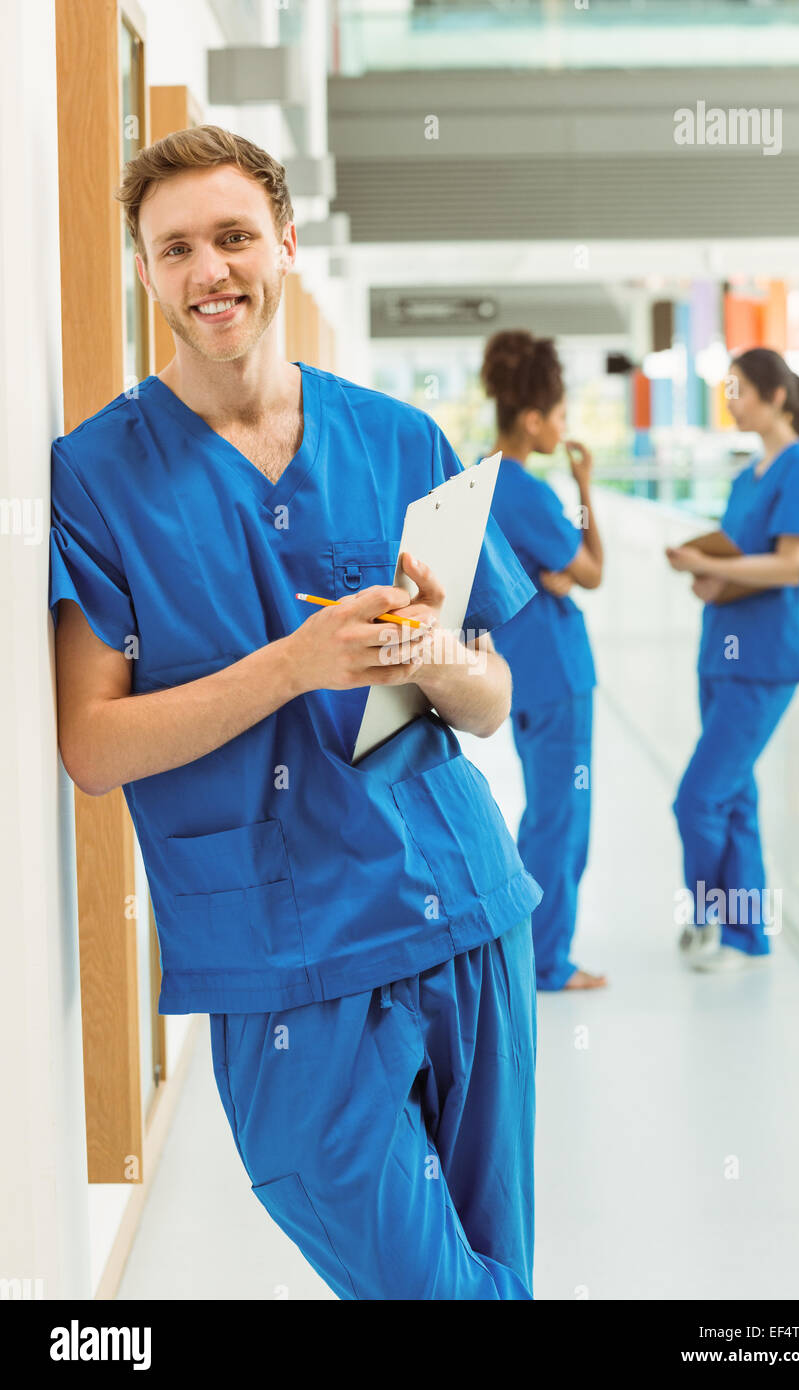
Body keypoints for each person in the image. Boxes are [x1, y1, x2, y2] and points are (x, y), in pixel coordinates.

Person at [48, 125, 546, 1300]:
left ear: (283, 242)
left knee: (496, 1268)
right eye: (175, 249)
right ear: (143, 271)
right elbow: (90, 744)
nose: (208, 271)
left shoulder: (398, 437)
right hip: (282, 961)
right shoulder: (96, 476)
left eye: (232, 237)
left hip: (463, 904)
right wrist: (291, 665)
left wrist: (431, 657)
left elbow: (488, 701)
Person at [666, 348, 799, 973]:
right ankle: (748, 935)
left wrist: (712, 566)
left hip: (763, 660)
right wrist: (707, 573)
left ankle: (711, 920)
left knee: (698, 798)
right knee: (733, 796)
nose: (731, 402)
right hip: (720, 650)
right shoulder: (747, 476)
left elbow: (791, 562)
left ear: (776, 396)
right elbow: (737, 561)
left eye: (739, 390)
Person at [479, 331, 606, 991]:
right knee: (561, 821)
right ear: (532, 420)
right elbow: (589, 571)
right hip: (558, 675)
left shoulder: (480, 475)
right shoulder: (526, 490)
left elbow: (547, 574)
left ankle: (528, 952)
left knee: (546, 812)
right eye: (558, 414)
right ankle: (544, 962)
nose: (563, 426)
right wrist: (584, 486)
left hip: (524, 674)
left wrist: (556, 573)